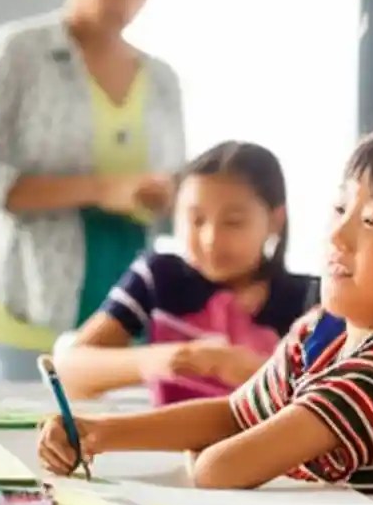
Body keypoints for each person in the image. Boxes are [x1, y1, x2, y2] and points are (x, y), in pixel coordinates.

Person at [36, 122, 373, 497]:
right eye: (339, 209)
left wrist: (200, 454)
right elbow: (235, 413)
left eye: (370, 222)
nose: (336, 235)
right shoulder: (320, 330)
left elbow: (221, 468)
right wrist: (97, 432)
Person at [0, 0, 185, 382]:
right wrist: (100, 189)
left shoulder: (162, 82)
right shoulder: (19, 54)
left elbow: (180, 196)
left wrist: (167, 197)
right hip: (29, 317)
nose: (128, 2)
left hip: (128, 323)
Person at [54, 141, 315, 405]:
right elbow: (68, 368)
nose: (211, 238)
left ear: (275, 221)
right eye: (196, 220)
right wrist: (163, 359)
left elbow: (332, 396)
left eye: (233, 222)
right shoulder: (158, 277)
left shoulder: (311, 300)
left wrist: (250, 369)